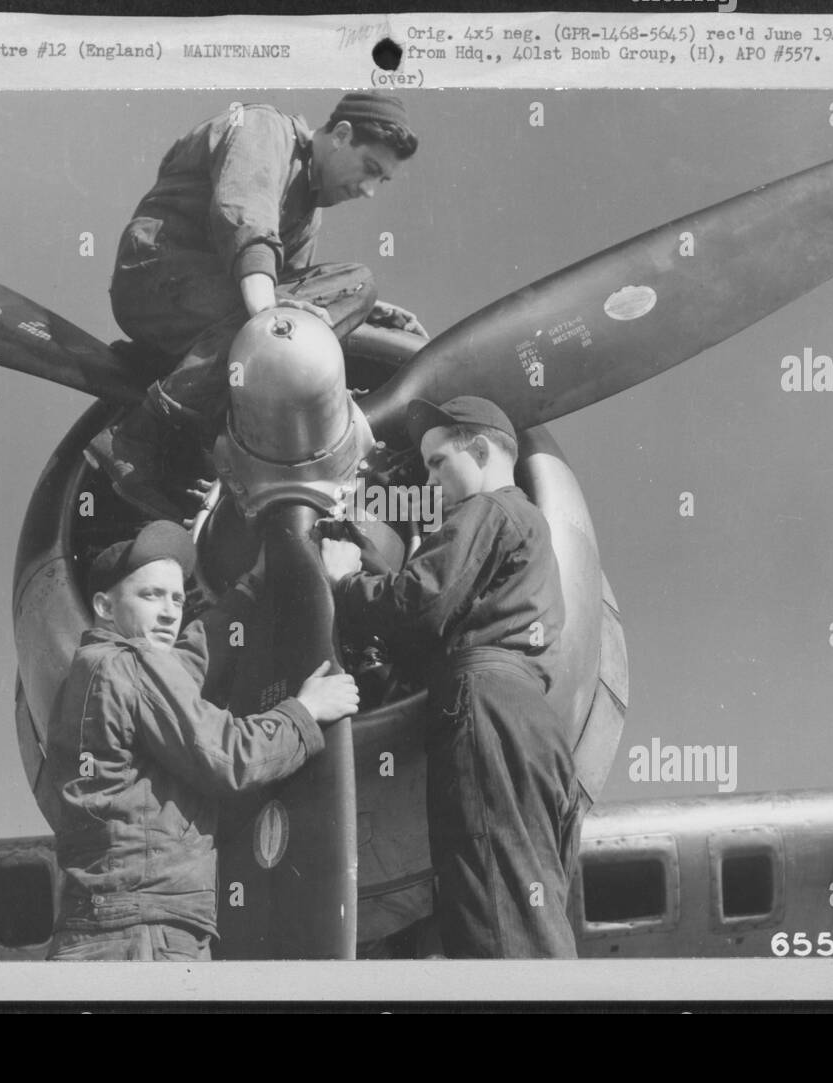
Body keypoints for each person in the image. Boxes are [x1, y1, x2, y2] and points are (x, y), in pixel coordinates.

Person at [320, 396, 584, 958]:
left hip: (483, 709)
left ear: (482, 450)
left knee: (492, 904)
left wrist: (343, 582)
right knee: (524, 898)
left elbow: (420, 605)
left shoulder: (488, 510)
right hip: (526, 718)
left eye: (438, 462)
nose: (430, 479)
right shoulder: (526, 530)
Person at [89, 92, 426, 519]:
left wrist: (370, 315)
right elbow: (244, 216)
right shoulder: (265, 128)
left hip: (215, 299)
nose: (369, 190)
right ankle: (137, 437)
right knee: (355, 285)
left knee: (356, 290)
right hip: (159, 274)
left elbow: (290, 299)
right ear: (341, 135)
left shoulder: (309, 215)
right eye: (370, 169)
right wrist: (272, 321)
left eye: (382, 181)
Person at [44, 520, 359, 961]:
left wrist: (250, 588)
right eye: (151, 595)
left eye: (176, 597)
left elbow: (191, 659)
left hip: (110, 929)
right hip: (146, 936)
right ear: (104, 605)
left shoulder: (97, 667)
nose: (172, 611)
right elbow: (228, 757)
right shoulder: (130, 665)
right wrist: (305, 712)